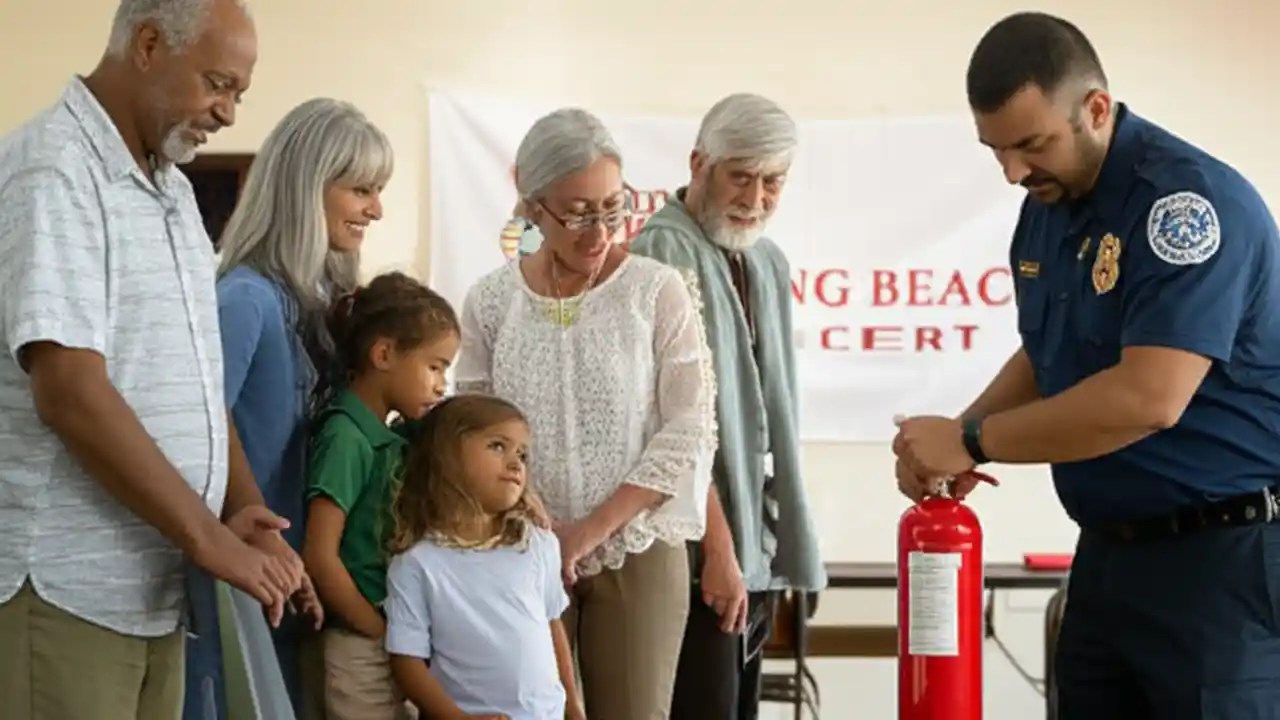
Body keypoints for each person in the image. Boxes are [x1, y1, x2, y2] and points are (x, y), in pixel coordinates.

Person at [892, 11, 1280, 720]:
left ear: (1096, 109)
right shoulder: (1051, 203)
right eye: (996, 150)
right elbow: (1052, 356)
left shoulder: (1185, 207)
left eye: (1031, 145)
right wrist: (957, 434)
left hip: (1220, 562)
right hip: (1106, 560)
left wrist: (976, 442)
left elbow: (1148, 398)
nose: (1012, 172)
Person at [0, 1, 313, 719]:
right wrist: (206, 536)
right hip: (62, 587)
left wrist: (240, 506)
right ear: (147, 45)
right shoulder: (54, 169)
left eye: (238, 92)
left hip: (152, 588)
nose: (229, 113)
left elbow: (202, 379)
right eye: (218, 84)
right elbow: (69, 391)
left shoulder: (169, 188)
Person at [454, 107, 718, 719]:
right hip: (520, 547)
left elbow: (688, 427)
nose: (598, 231)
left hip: (637, 548)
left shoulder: (656, 291)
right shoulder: (493, 301)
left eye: (611, 208)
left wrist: (590, 531)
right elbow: (472, 426)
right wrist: (538, 520)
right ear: (531, 205)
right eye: (576, 213)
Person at [629, 93, 828, 720]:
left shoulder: (765, 260)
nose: (757, 197)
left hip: (752, 546)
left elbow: (771, 418)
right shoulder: (660, 254)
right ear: (698, 164)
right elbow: (667, 422)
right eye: (741, 175)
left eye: (773, 181)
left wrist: (763, 543)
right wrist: (719, 550)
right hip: (688, 547)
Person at [213, 96, 393, 718]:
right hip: (250, 580)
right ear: (307, 187)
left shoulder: (322, 303)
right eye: (361, 189)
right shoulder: (244, 299)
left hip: (311, 590)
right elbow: (202, 427)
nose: (376, 209)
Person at [304, 271, 460, 720]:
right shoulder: (346, 437)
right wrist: (377, 632)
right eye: (434, 366)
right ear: (385, 354)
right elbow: (321, 555)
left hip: (389, 637)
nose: (440, 385)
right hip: (359, 642)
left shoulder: (390, 434)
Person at [384, 394, 584, 720]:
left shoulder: (537, 545)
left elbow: (552, 628)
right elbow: (406, 661)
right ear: (447, 457)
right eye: (497, 446)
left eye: (522, 453)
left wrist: (573, 707)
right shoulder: (417, 565)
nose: (516, 462)